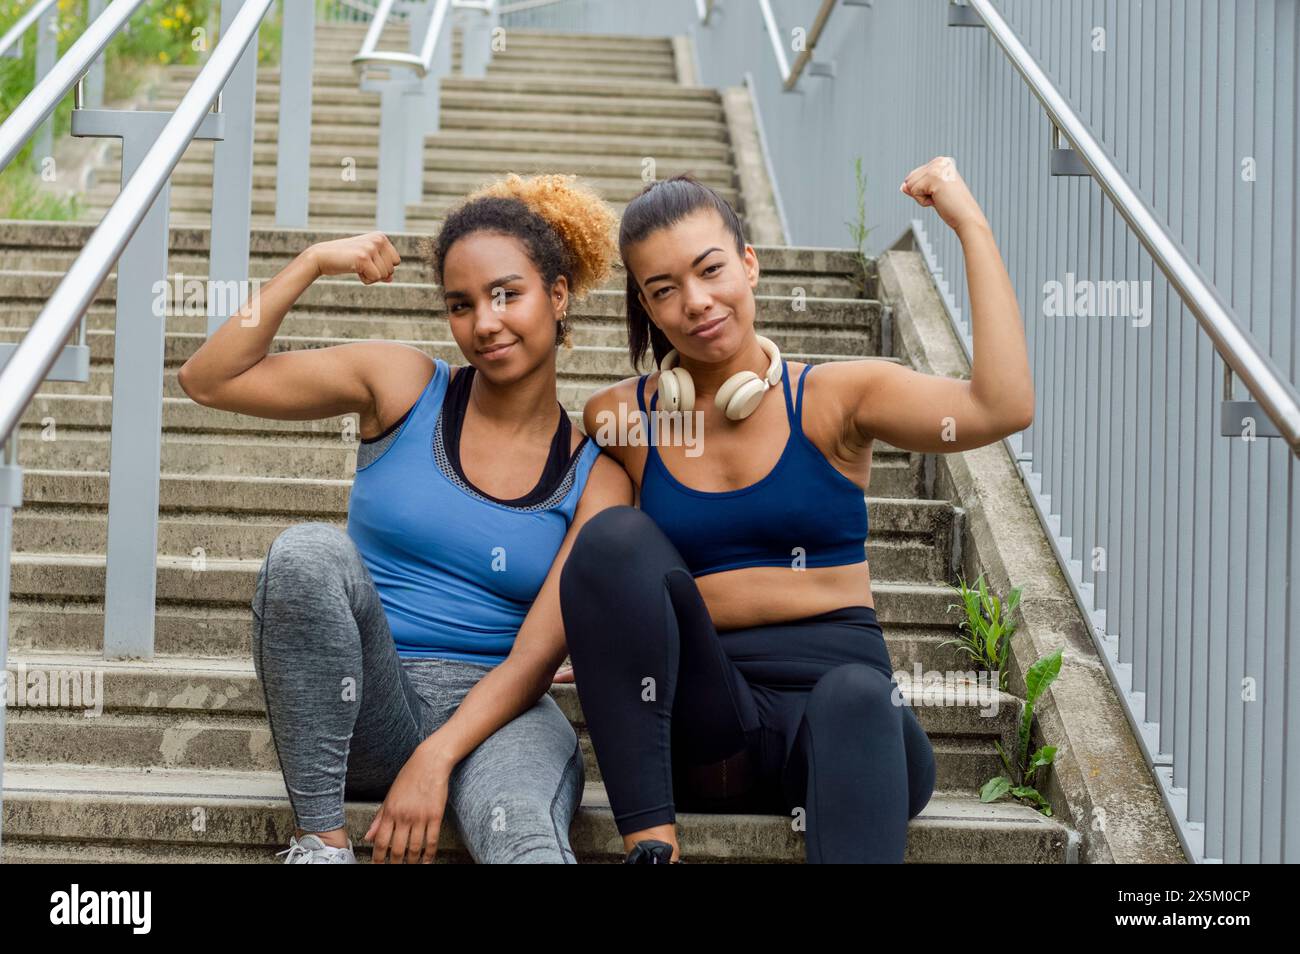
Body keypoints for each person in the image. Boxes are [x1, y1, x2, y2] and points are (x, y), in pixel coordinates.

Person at [558, 158, 1034, 863]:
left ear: (750, 266)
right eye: (665, 289)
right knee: (614, 540)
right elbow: (592, 562)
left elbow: (1002, 406)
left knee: (852, 696)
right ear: (648, 307)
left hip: (851, 734)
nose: (695, 301)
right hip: (712, 733)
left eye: (711, 269)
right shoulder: (625, 419)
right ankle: (650, 846)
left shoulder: (840, 397)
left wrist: (970, 223)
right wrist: (587, 641)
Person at [177, 173, 632, 863]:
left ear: (559, 294)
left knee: (526, 844)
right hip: (367, 701)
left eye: (507, 294)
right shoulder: (403, 386)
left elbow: (538, 656)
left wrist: (437, 757)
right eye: (461, 303)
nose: (485, 322)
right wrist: (310, 264)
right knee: (305, 555)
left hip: (502, 717)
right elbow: (210, 379)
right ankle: (322, 843)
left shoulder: (598, 478)